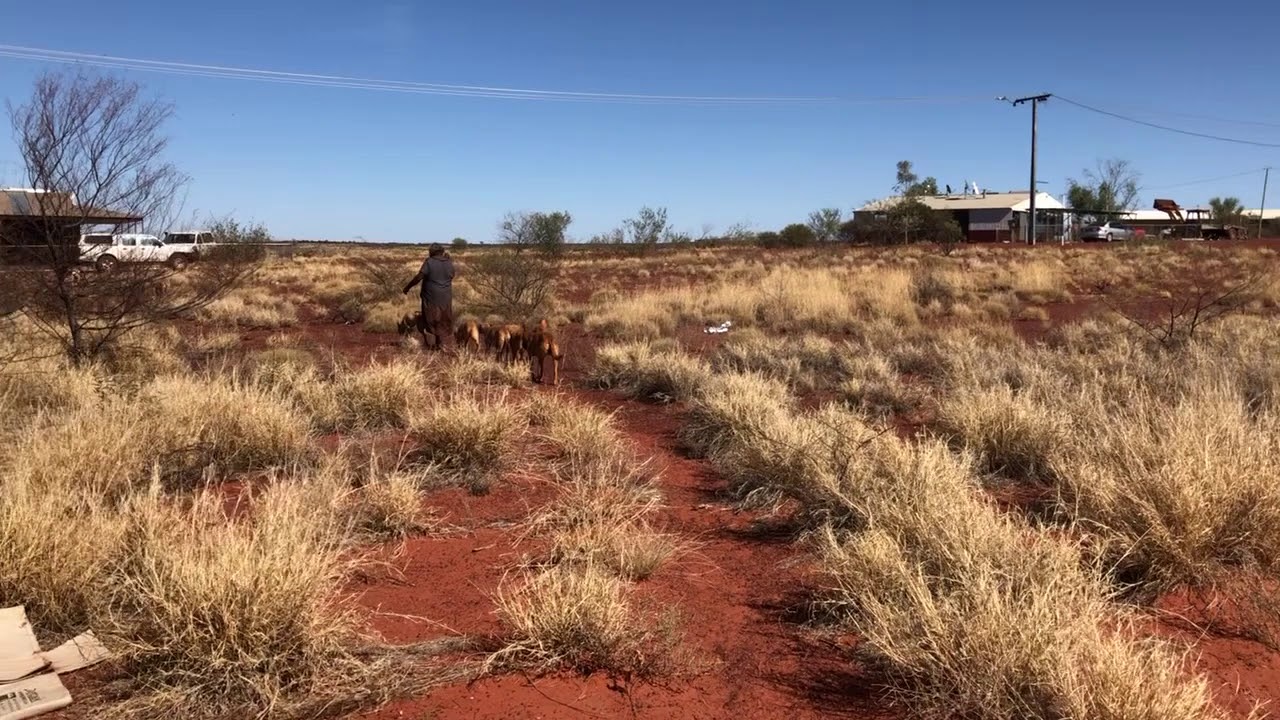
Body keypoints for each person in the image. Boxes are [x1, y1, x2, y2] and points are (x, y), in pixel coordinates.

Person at [402, 243, 456, 352]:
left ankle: (428, 342)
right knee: (443, 318)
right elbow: (452, 275)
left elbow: (419, 277)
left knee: (430, 318)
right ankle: (439, 343)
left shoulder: (429, 262)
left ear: (432, 252)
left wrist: (407, 287)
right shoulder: (449, 263)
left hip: (431, 296)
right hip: (446, 296)